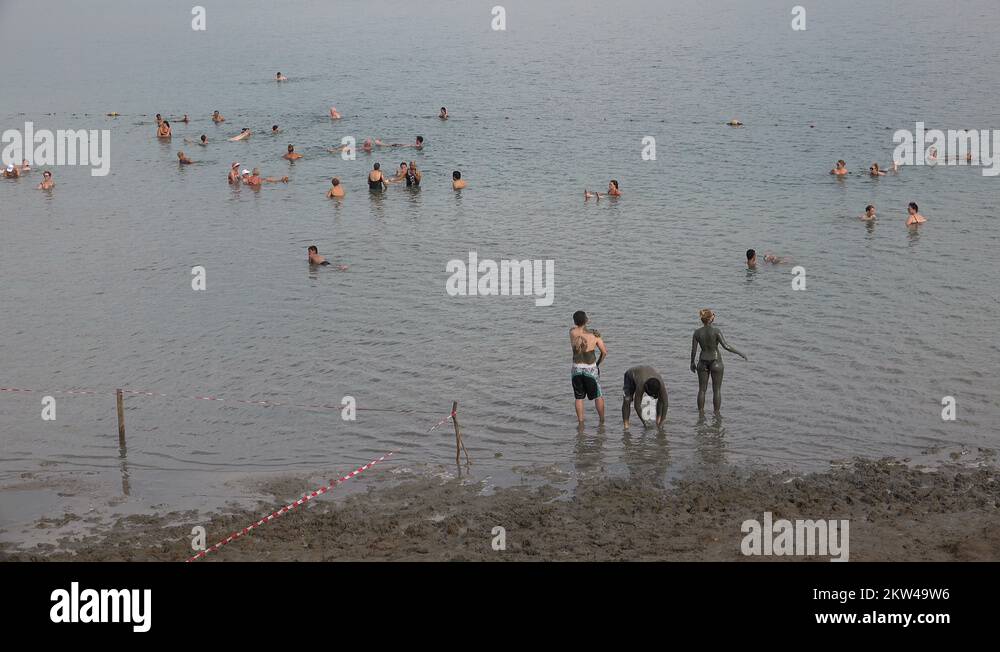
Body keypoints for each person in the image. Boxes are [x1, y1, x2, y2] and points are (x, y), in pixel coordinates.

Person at [690, 309, 747, 415]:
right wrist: (740, 353)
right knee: (717, 390)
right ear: (711, 318)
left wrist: (692, 363)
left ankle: (700, 415)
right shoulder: (716, 331)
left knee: (702, 390)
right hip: (716, 362)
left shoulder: (697, 333)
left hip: (702, 362)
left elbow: (693, 350)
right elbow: (726, 346)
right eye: (713, 315)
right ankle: (716, 415)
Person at [570, 310, 607, 425]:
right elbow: (604, 352)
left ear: (575, 321)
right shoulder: (595, 335)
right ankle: (601, 421)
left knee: (579, 397)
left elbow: (580, 331)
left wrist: (585, 324)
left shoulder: (571, 332)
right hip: (590, 368)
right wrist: (598, 364)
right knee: (598, 395)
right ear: (586, 320)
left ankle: (580, 423)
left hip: (576, 369)